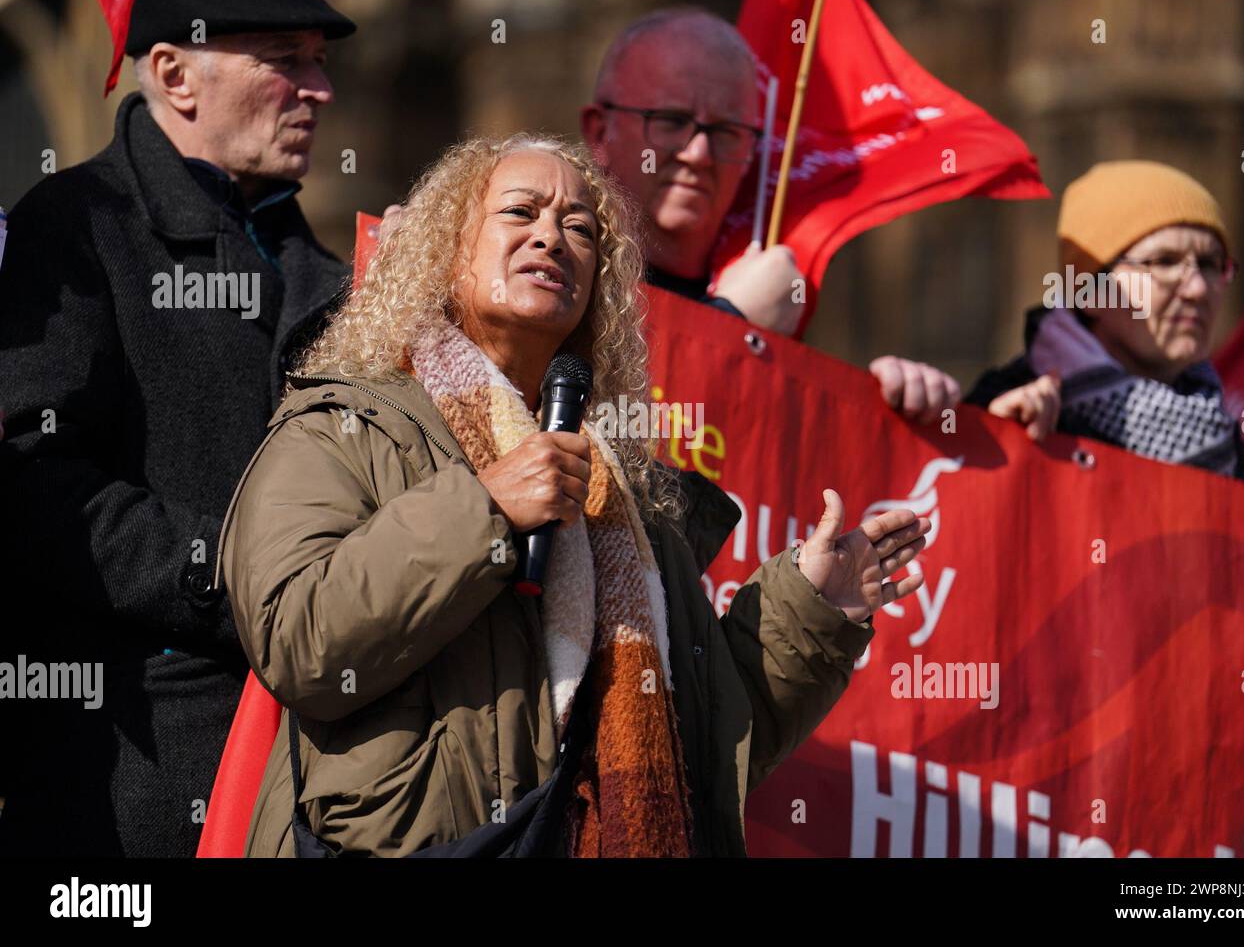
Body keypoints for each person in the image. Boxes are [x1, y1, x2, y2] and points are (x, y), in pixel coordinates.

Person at [219, 134, 932, 857]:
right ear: (447, 246)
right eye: (520, 211)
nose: (551, 238)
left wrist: (812, 607)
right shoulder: (347, 425)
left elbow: (712, 739)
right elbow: (298, 640)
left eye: (581, 228)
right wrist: (487, 512)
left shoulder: (622, 486)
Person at [0, 0, 355, 856]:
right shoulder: (77, 227)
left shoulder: (344, 275)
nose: (320, 90)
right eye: (286, 59)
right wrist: (239, 583)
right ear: (174, 74)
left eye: (320, 60)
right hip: (135, 788)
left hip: (323, 774)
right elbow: (35, 479)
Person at [579, 7, 967, 425]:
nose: (699, 155)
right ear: (600, 132)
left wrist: (890, 404)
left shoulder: (781, 297)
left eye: (727, 132)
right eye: (671, 122)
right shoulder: (557, 273)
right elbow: (596, 436)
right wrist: (732, 324)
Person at [967, 160, 1244, 486]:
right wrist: (991, 446)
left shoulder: (1220, 437)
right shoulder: (1007, 406)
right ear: (1090, 293)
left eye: (1210, 264)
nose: (1198, 289)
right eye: (1164, 262)